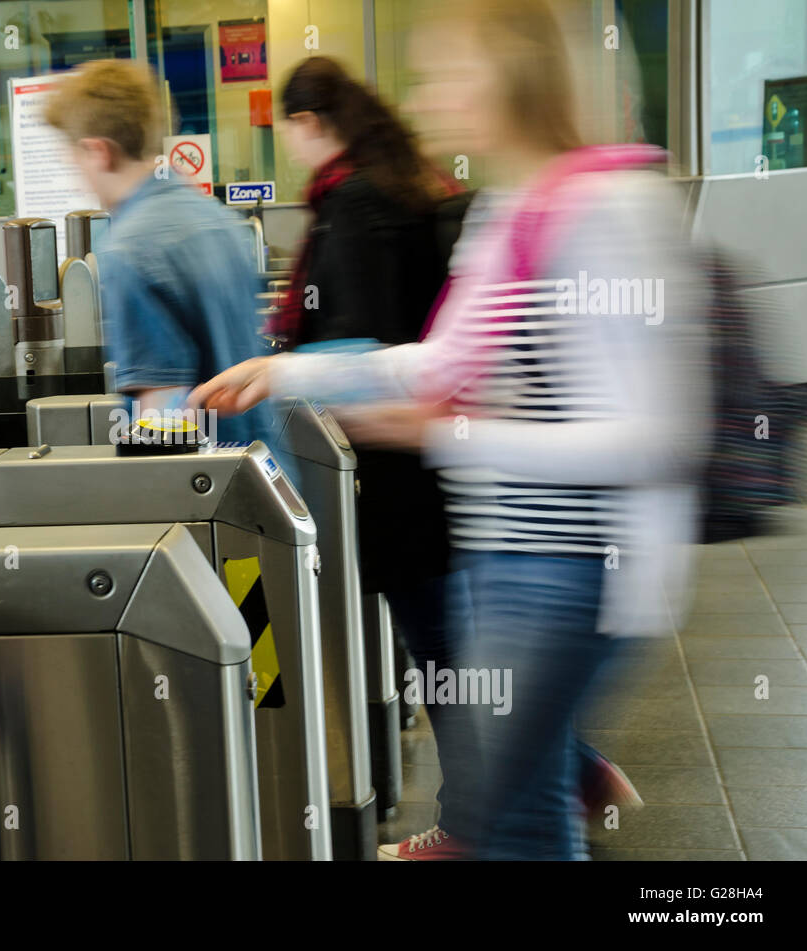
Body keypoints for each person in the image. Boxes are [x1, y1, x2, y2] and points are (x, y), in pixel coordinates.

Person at [190, 0, 707, 860]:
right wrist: (285, 374)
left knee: (512, 823)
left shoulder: (605, 211)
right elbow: (439, 361)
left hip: (574, 574)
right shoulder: (512, 211)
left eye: (447, 74)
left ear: (512, 77)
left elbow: (652, 439)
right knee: (525, 822)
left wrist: (454, 437)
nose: (427, 99)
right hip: (506, 561)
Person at [274, 55, 477, 860]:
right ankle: (568, 770)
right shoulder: (405, 181)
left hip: (396, 472)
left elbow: (361, 344)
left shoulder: (352, 201)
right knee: (456, 646)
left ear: (307, 123)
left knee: (443, 653)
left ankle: (470, 827)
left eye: (285, 129)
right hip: (437, 461)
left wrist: (284, 367)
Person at [41, 59, 279, 451]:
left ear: (98, 152)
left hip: (208, 497)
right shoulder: (217, 218)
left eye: (73, 159)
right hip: (262, 468)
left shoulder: (129, 248)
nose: (75, 176)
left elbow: (166, 429)